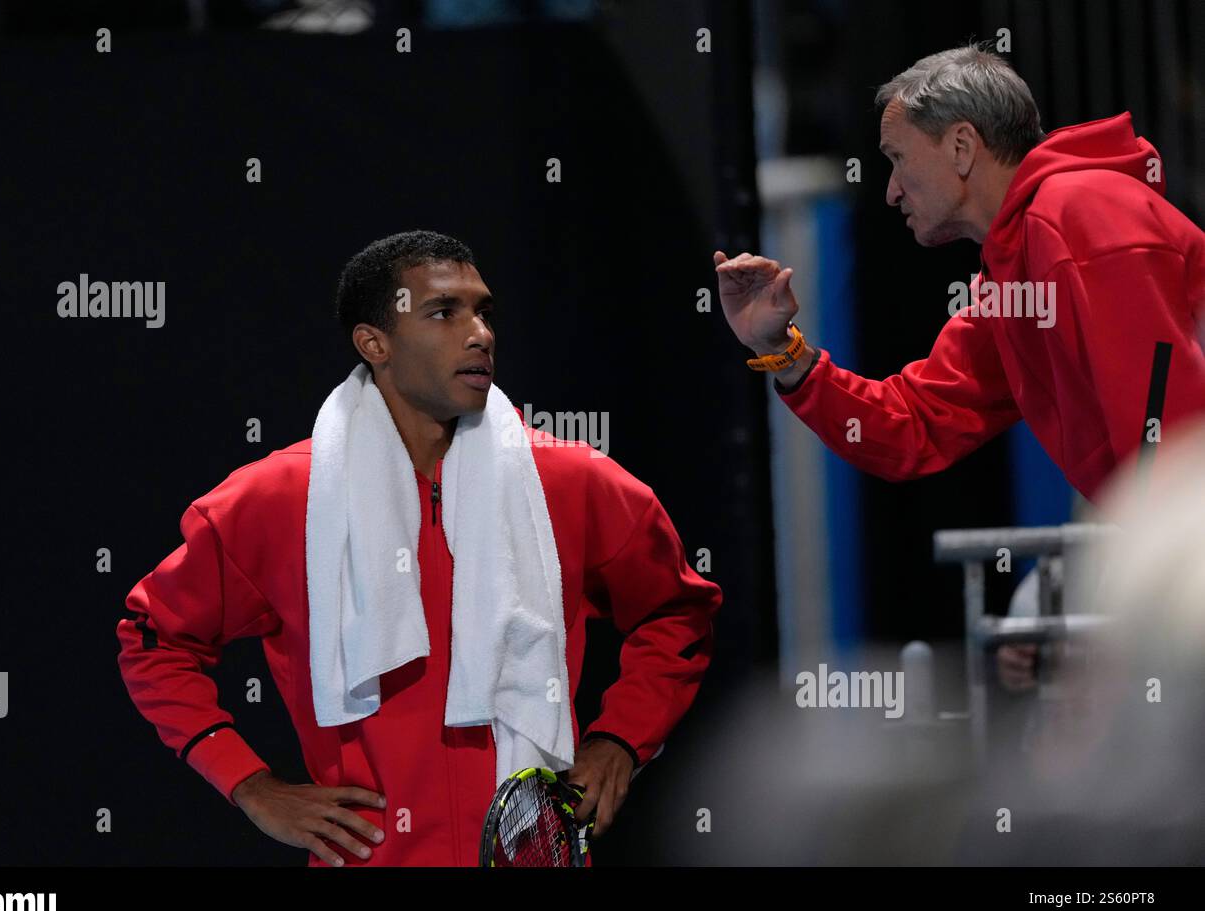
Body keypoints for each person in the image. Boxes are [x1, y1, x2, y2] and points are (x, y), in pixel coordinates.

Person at [116, 230, 721, 866]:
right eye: (442, 312)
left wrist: (621, 740)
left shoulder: (573, 482)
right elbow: (152, 637)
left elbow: (677, 611)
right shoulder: (278, 499)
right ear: (374, 343)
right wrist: (249, 784)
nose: (479, 333)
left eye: (483, 311)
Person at [714, 44, 1205, 692]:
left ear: (962, 146)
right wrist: (785, 352)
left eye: (897, 158)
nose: (889, 191)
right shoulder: (1019, 264)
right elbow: (912, 427)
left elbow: (1172, 451)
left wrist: (1112, 615)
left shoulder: (1080, 213)